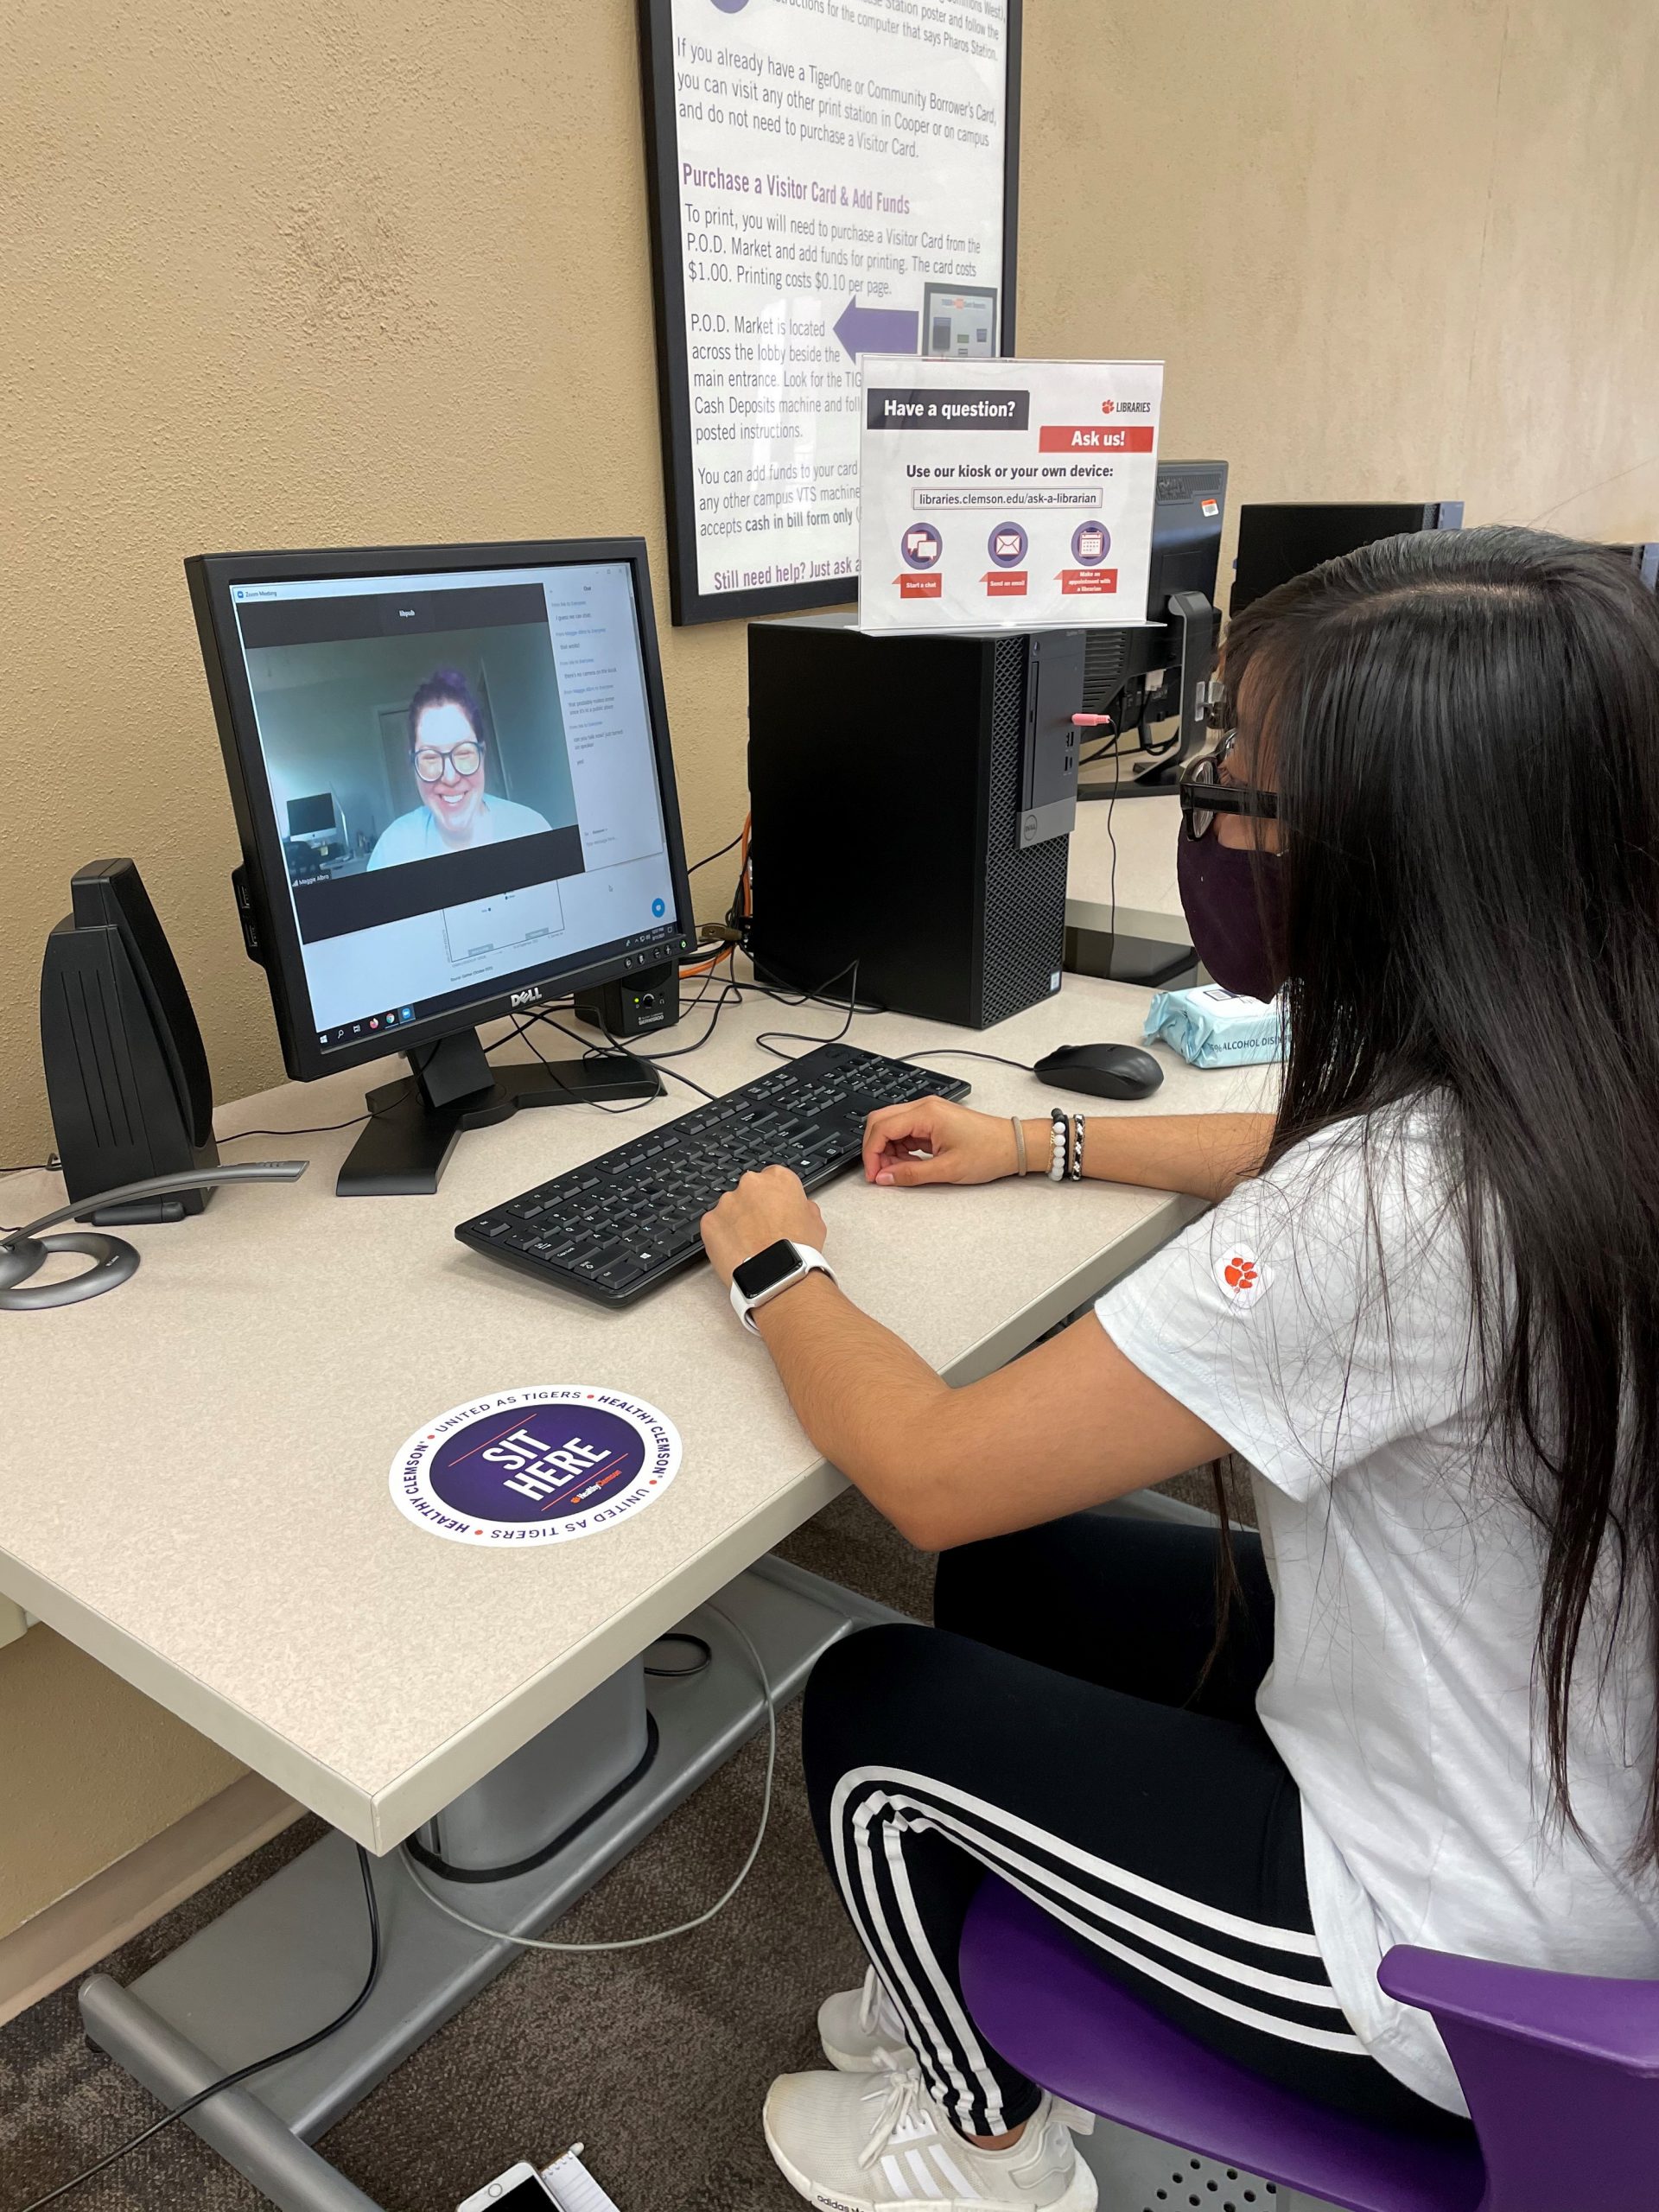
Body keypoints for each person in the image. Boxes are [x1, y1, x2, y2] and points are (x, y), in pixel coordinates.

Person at [698, 528, 1659, 2212]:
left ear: (1398, 854)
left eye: (1234, 782)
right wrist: (1045, 1136)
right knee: (1017, 1565)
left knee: (874, 1709)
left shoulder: (1395, 1212)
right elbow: (1337, 1153)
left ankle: (982, 2143)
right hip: (1569, 1792)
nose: (1201, 809)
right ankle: (967, 1939)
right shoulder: (1589, 1047)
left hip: (1461, 1969)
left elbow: (921, 1455)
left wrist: (777, 1258)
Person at [367, 667, 551, 868]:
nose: (450, 776)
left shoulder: (532, 830)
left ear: (482, 753)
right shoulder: (392, 851)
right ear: (414, 763)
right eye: (430, 757)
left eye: (463, 753)